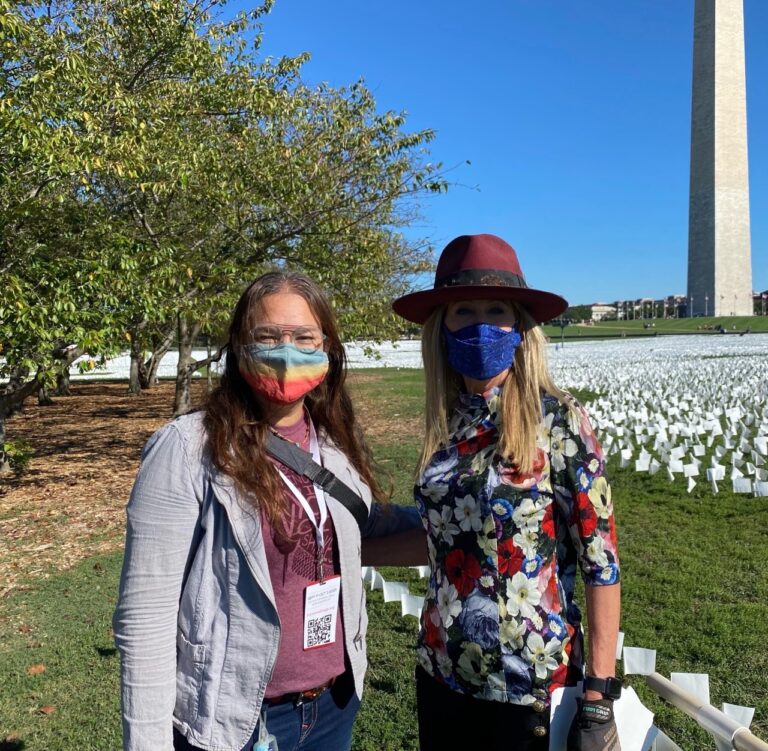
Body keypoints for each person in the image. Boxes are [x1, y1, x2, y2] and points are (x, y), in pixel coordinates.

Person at [113, 271, 423, 751]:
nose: (286, 352)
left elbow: (363, 520)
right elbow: (144, 617)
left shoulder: (332, 443)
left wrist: (462, 516)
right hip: (237, 720)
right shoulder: (188, 448)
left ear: (327, 349)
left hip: (332, 707)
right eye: (267, 337)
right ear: (239, 348)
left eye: (304, 337)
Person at [392, 234, 622, 751]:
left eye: (496, 310)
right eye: (463, 311)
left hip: (531, 685)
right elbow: (444, 539)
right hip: (443, 671)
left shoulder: (559, 422)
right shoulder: (445, 426)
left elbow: (600, 563)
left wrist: (599, 694)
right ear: (441, 329)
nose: (480, 325)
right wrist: (342, 548)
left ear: (519, 326)